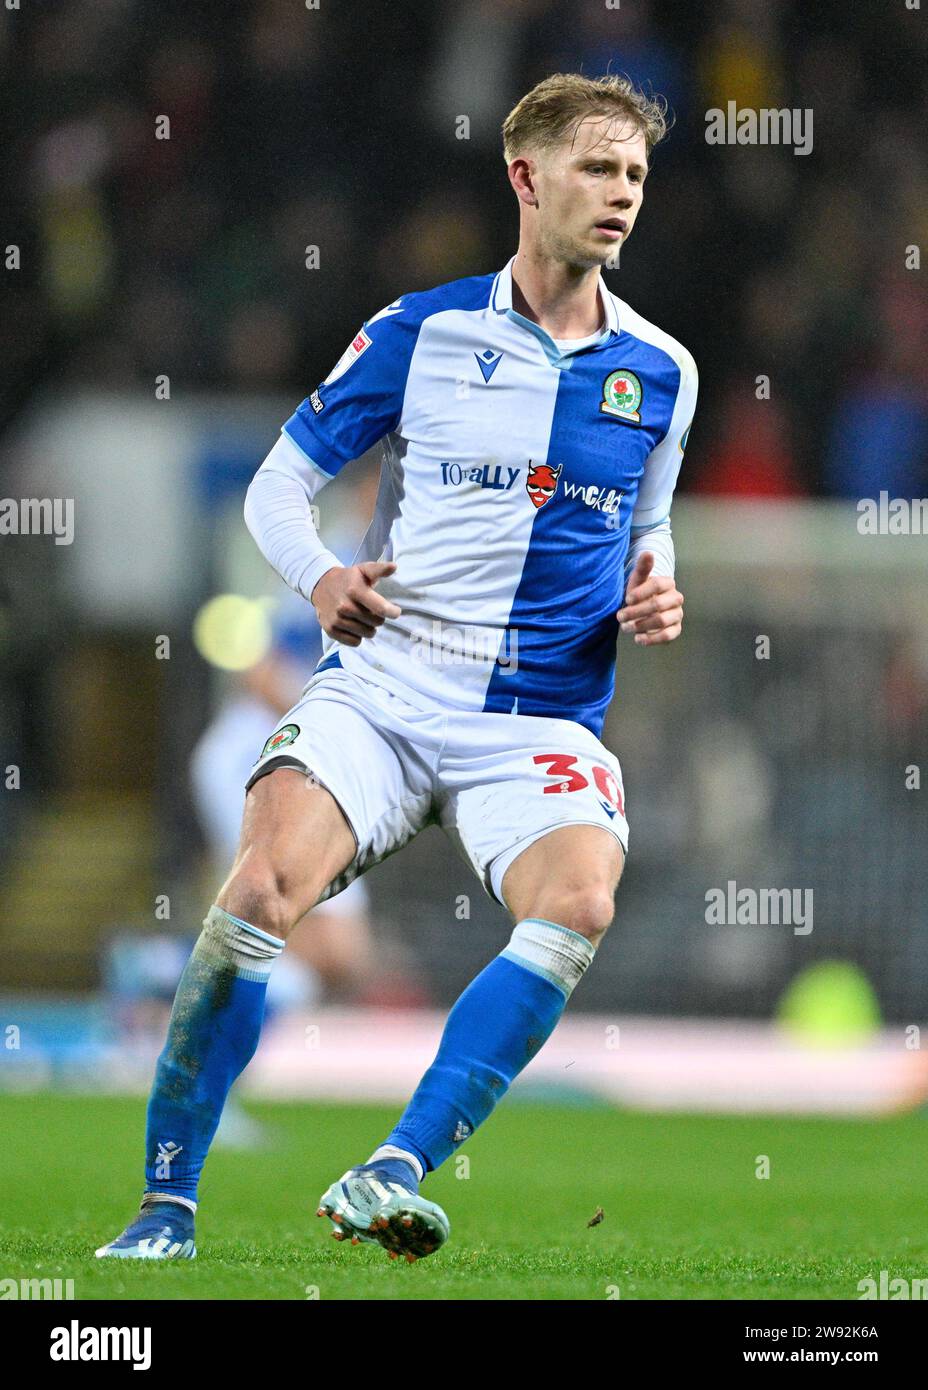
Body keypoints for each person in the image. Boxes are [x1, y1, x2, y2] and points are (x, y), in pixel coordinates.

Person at [97, 71, 697, 1265]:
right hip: (386, 686)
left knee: (577, 902)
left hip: (537, 715)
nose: (620, 192)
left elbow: (646, 528)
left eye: (633, 172)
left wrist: (658, 584)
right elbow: (280, 482)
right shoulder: (422, 332)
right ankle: (166, 1204)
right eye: (595, 166)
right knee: (264, 891)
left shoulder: (661, 371)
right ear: (525, 179)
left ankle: (393, 1165)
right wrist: (321, 578)